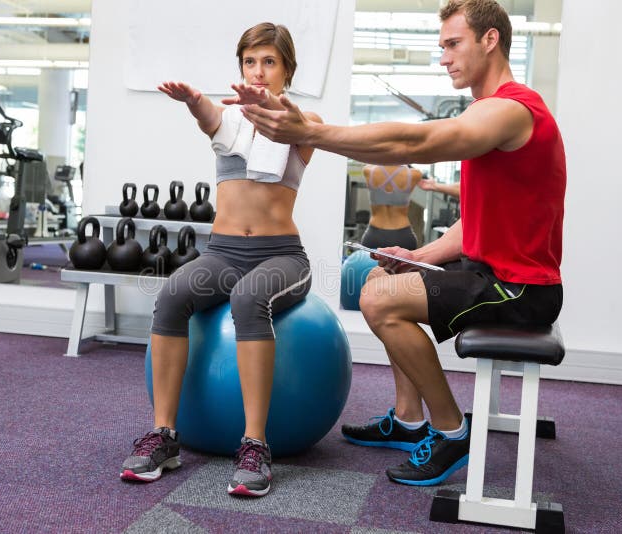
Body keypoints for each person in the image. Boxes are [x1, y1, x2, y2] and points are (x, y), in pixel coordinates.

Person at [241, 0, 565, 487]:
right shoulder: (489, 112)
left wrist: (312, 132)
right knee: (379, 276)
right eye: (442, 47)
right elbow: (475, 222)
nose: (444, 57)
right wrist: (418, 257)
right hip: (487, 272)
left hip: (520, 289)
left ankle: (452, 430)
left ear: (490, 39)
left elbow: (414, 146)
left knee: (377, 299)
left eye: (453, 44)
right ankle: (409, 418)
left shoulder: (513, 110)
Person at [119, 22, 322, 498]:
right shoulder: (230, 119)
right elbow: (209, 114)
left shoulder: (299, 122)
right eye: (250, 62)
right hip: (224, 252)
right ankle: (165, 435)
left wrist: (274, 109)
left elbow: (300, 126)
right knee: (170, 294)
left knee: (250, 299)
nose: (258, 71)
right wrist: (193, 101)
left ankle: (255, 444)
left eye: (269, 62)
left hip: (282, 257)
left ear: (286, 70)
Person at [360, 164, 422, 250]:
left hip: (374, 235)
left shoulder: (369, 171)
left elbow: (371, 162)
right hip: (403, 236)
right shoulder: (414, 174)